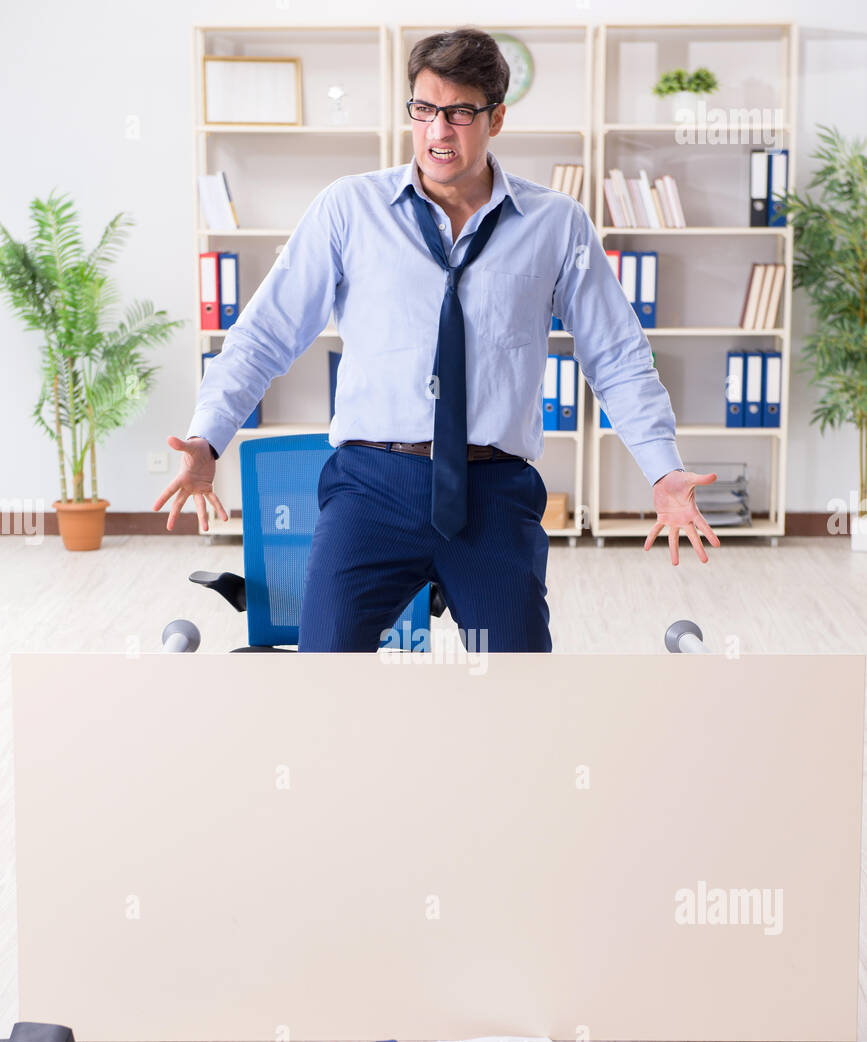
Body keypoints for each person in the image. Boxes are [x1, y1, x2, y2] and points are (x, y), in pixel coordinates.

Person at [154, 26, 719, 653]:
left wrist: (662, 469)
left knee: (519, 688)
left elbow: (615, 356)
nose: (438, 131)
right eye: (423, 110)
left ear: (496, 117)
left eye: (459, 112)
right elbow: (263, 337)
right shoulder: (348, 209)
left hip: (494, 494)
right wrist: (209, 435)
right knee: (323, 678)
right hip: (369, 489)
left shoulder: (558, 224)